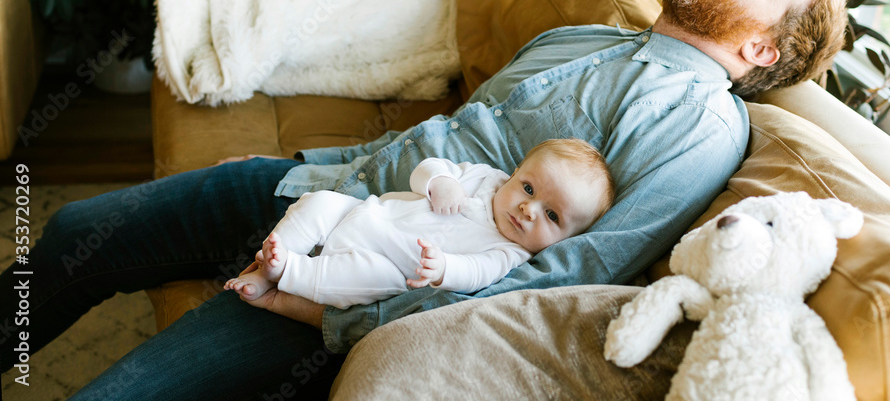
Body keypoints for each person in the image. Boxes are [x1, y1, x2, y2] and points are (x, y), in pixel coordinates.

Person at [0, 0, 848, 400]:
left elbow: (563, 273)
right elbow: (445, 135)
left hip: (354, 283)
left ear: (759, 48)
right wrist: (297, 163)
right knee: (77, 229)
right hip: (317, 190)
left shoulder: (696, 127)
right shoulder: (591, 37)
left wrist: (329, 320)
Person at [223, 139, 615, 306]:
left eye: (551, 216)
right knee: (319, 202)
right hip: (362, 213)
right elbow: (426, 168)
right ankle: (266, 265)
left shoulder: (509, 252)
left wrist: (445, 268)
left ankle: (289, 270)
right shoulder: (482, 179)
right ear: (514, 173)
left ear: (566, 238)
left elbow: (477, 273)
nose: (529, 209)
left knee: (370, 281)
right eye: (528, 188)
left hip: (388, 264)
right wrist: (440, 181)